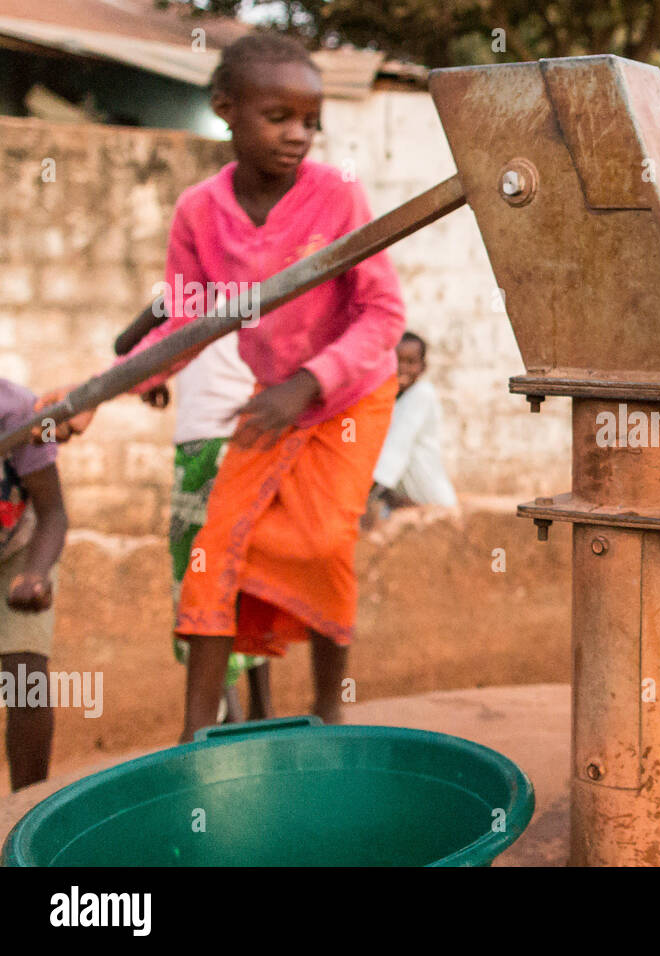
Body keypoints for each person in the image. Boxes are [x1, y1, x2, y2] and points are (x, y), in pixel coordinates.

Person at [46, 33, 404, 742]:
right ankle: (194, 737)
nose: (299, 135)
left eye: (311, 120)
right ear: (226, 110)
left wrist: (307, 383)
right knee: (215, 551)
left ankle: (331, 709)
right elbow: (185, 323)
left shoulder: (337, 195)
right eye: (279, 117)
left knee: (322, 544)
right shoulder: (199, 213)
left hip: (347, 396)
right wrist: (91, 399)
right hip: (271, 399)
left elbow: (383, 313)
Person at [113, 311, 270, 724]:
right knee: (241, 578)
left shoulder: (185, 293)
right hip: (257, 437)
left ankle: (229, 722)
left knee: (202, 582)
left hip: (207, 443)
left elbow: (124, 345)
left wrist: (154, 369)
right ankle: (261, 713)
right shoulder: (258, 274)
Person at [0, 379, 68, 790]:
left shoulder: (19, 411)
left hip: (21, 548)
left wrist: (36, 574)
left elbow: (54, 513)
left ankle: (25, 809)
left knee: (24, 674)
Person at [364, 331, 457, 528]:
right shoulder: (389, 399)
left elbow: (395, 448)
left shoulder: (421, 394)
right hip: (407, 503)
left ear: (423, 367)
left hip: (433, 504)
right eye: (396, 361)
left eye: (410, 361)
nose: (402, 368)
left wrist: (361, 494)